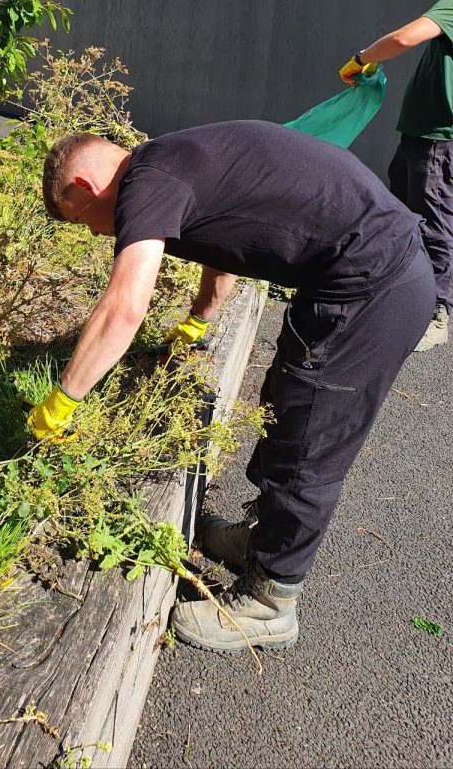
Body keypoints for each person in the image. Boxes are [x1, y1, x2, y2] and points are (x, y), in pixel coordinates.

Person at [28, 121, 435, 652]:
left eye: (83, 221)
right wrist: (199, 318)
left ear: (85, 188)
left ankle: (273, 601)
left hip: (375, 285)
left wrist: (61, 402)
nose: (94, 234)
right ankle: (262, 542)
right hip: (354, 271)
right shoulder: (171, 160)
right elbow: (225, 242)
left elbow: (125, 308)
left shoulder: (144, 183)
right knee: (285, 401)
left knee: (308, 441)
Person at [339, 0, 453, 351]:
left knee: (434, 221)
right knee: (407, 218)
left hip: (438, 139)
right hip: (424, 136)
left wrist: (361, 60)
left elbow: (406, 36)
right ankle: (403, 294)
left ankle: (436, 313)